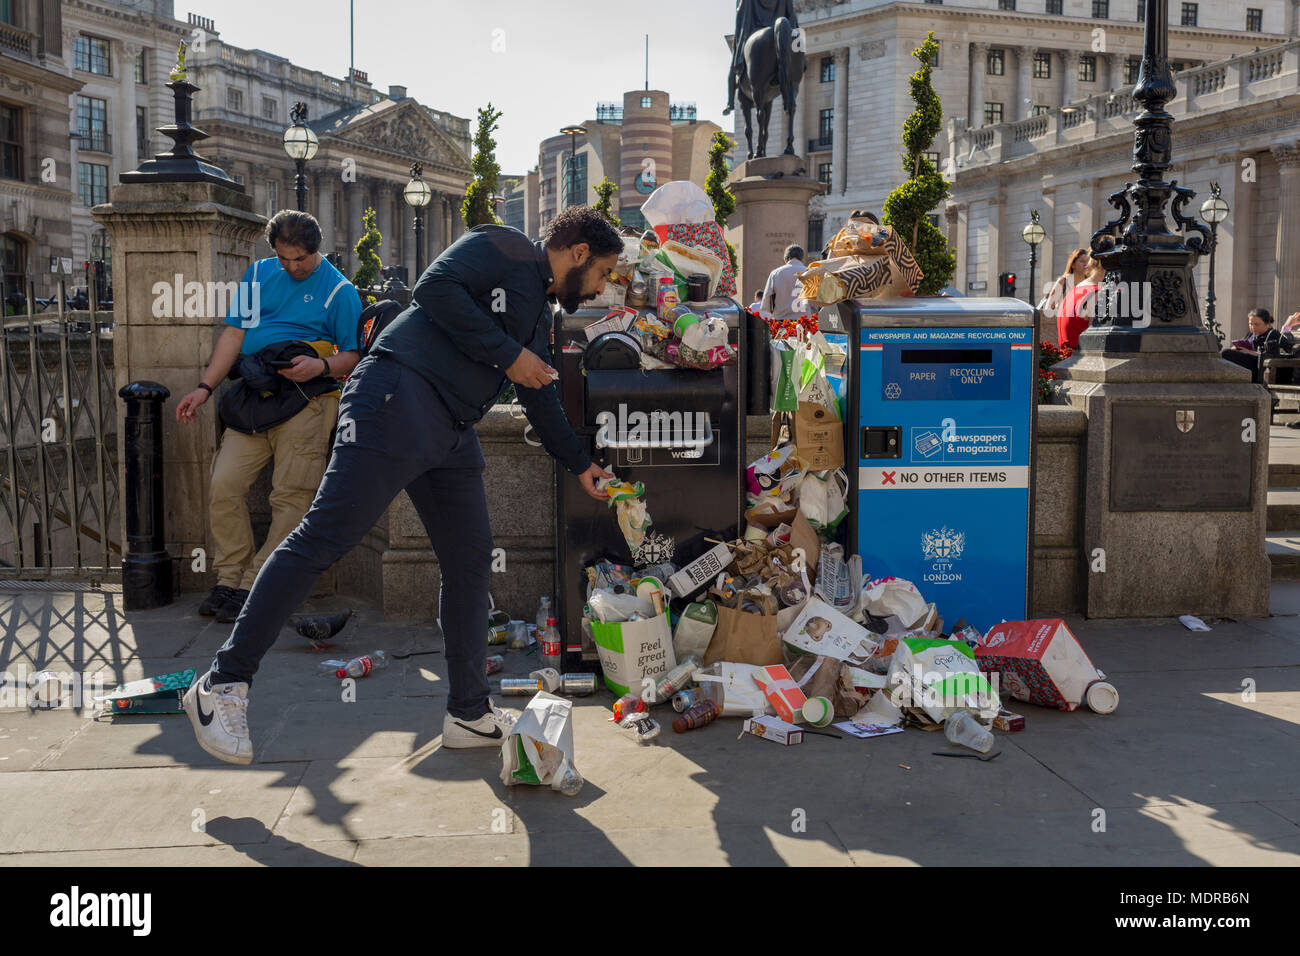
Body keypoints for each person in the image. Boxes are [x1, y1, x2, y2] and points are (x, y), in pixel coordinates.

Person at [183, 206, 621, 765]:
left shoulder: (540, 313)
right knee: (321, 538)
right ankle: (222, 684)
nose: (603, 285)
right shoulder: (503, 243)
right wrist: (509, 355)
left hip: (452, 429)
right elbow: (434, 289)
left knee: (469, 559)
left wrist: (580, 464)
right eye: (604, 271)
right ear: (579, 253)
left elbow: (538, 393)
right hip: (395, 396)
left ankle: (468, 712)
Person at [176, 211, 361, 623]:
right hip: (256, 395)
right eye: (285, 259)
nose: (294, 267)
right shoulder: (258, 273)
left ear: (317, 249)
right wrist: (205, 388)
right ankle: (229, 576)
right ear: (273, 251)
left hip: (309, 398)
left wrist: (321, 367)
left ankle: (256, 583)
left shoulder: (341, 291)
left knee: (291, 496)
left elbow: (353, 354)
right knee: (223, 484)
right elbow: (234, 334)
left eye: (302, 259)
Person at [1221, 307, 1282, 383]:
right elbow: (1242, 344)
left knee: (1225, 353)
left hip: (1259, 366)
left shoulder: (1272, 334)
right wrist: (1236, 348)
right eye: (1250, 324)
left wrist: (1249, 352)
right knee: (1224, 353)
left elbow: (1271, 356)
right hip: (1247, 362)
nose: (1253, 327)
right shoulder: (1250, 334)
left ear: (1267, 324)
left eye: (1257, 324)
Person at [1056, 253, 1104, 350]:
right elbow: (1095, 339)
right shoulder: (1096, 293)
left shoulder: (1075, 289)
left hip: (1065, 359)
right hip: (1081, 358)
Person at [761, 244, 810, 320]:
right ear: (802, 258)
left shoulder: (775, 273)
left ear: (785, 258)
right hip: (804, 321)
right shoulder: (810, 273)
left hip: (782, 321)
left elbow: (766, 300)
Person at [1040, 247, 1090, 316]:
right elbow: (1048, 309)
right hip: (1063, 324)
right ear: (1073, 265)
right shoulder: (1063, 282)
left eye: (1088, 261)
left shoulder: (1090, 284)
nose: (1086, 264)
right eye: (1082, 261)